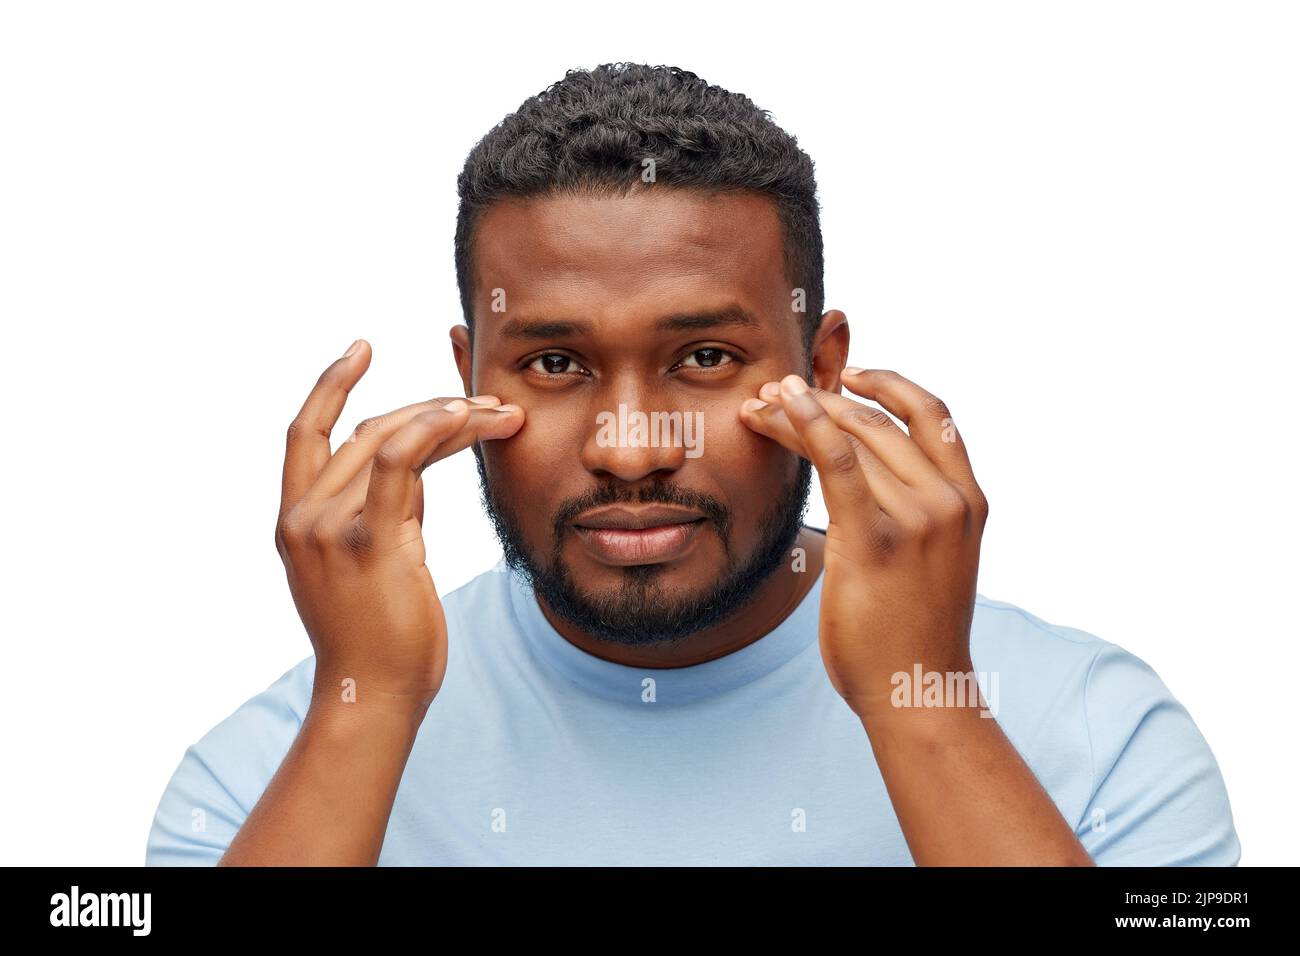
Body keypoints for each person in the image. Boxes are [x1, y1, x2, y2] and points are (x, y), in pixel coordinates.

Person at [146, 63, 1239, 866]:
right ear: (468, 377)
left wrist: (927, 706)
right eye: (557, 362)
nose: (630, 447)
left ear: (822, 368)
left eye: (705, 358)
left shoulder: (1093, 735)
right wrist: (366, 702)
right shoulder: (263, 778)